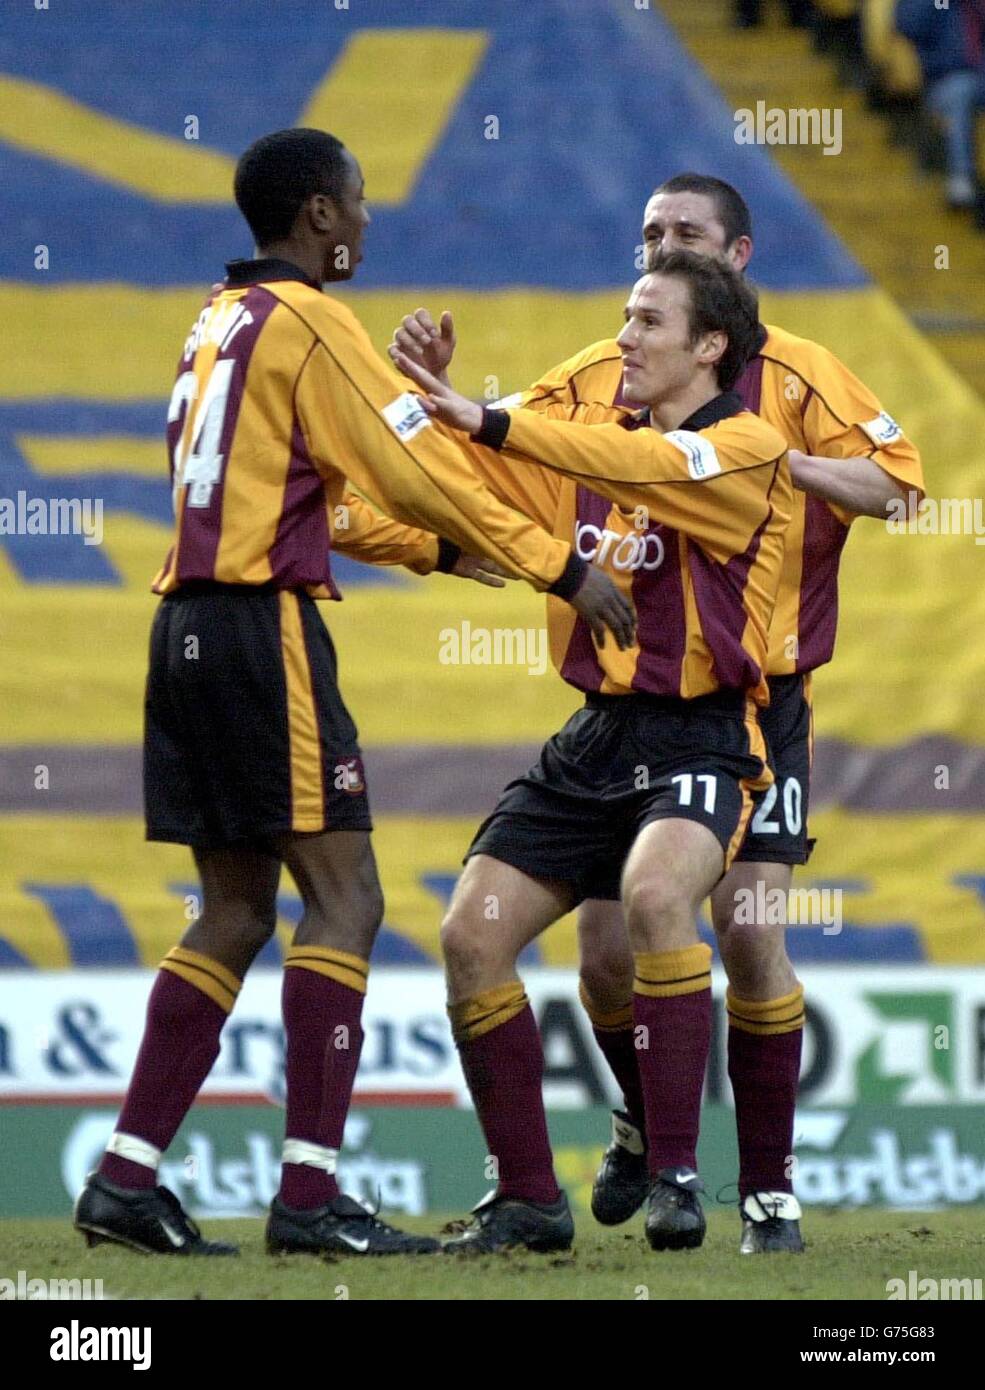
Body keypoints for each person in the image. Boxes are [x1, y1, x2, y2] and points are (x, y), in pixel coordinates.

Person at [72, 127, 635, 1261]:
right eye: (359, 201)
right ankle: (310, 1195)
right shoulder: (313, 322)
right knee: (348, 899)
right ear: (319, 216)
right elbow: (415, 466)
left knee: (234, 908)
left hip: (179, 628)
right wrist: (558, 565)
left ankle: (125, 1177)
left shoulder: (218, 321)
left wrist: (432, 554)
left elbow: (311, 495)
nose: (368, 223)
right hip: (257, 631)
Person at [391, 172, 924, 1253]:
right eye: (646, 239)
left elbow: (898, 487)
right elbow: (492, 461)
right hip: (606, 718)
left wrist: (769, 471)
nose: (653, 259)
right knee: (599, 956)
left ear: (732, 266)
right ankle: (628, 1131)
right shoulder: (598, 383)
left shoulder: (789, 388)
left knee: (744, 926)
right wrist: (431, 426)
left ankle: (755, 1187)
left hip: (746, 706)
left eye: (680, 240)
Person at [392, 249, 792, 1254]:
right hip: (594, 738)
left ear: (710, 347)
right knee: (468, 933)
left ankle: (676, 1174)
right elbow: (455, 473)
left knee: (660, 899)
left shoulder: (743, 449)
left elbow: (633, 467)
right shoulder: (591, 439)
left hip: (702, 730)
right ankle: (529, 1199)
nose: (623, 335)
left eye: (649, 321)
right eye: (625, 313)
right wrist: (411, 401)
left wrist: (482, 413)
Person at [897, 0, 985, 210]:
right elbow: (908, 24)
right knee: (960, 90)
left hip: (980, 78)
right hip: (942, 80)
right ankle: (960, 177)